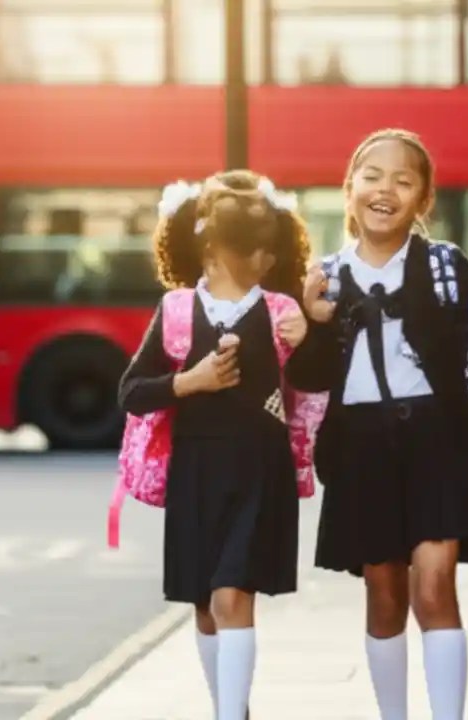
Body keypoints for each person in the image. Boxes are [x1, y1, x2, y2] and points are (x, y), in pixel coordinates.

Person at [284, 128, 468, 720]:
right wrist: (314, 320)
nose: (386, 189)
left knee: (435, 588)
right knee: (384, 595)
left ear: (424, 201)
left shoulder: (446, 266)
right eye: (372, 177)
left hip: (434, 440)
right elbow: (310, 376)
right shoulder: (323, 277)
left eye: (404, 181)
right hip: (361, 445)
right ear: (349, 190)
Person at [117, 170, 315, 719]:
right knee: (205, 608)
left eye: (270, 246)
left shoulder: (280, 311)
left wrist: (312, 333)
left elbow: (318, 378)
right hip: (196, 472)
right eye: (253, 246)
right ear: (211, 246)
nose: (266, 259)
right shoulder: (176, 311)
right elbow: (132, 393)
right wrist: (188, 381)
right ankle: (233, 707)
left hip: (259, 473)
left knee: (232, 596)